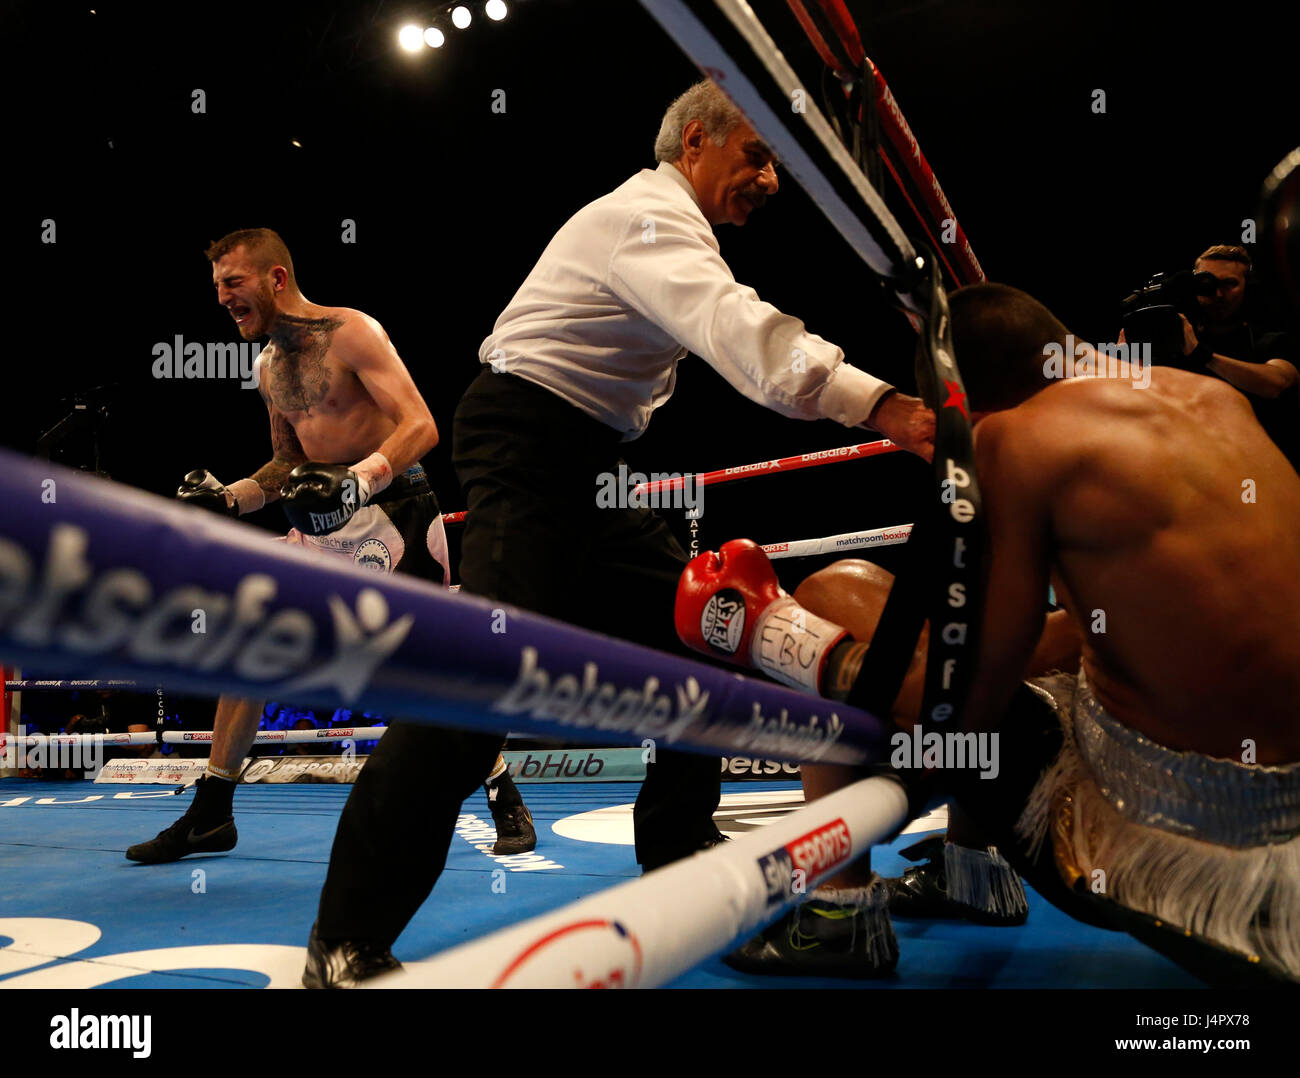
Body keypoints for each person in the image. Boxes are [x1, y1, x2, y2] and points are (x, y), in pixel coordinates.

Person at [676, 282, 1300, 984]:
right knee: (993, 630)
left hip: (1156, 844)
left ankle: (837, 914)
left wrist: (776, 634)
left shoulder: (1015, 436)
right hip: (1284, 835)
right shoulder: (1213, 399)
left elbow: (961, 714)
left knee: (828, 597)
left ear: (969, 409)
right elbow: (1134, 628)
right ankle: (974, 875)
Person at [124, 229, 536, 884]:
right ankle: (212, 811)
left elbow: (421, 424)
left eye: (233, 283)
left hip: (394, 513)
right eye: (217, 288)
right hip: (318, 525)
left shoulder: (351, 332)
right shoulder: (267, 369)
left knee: (435, 669)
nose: (224, 299)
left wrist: (360, 478)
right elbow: (288, 463)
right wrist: (228, 500)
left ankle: (503, 792)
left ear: (276, 278)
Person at [1176, 245, 1298, 469]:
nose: (1218, 294)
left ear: (1248, 287)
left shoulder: (1273, 341)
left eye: (1229, 284)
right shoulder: (1178, 341)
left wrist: (1201, 355)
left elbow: (1275, 382)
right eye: (1207, 284)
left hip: (1263, 471)